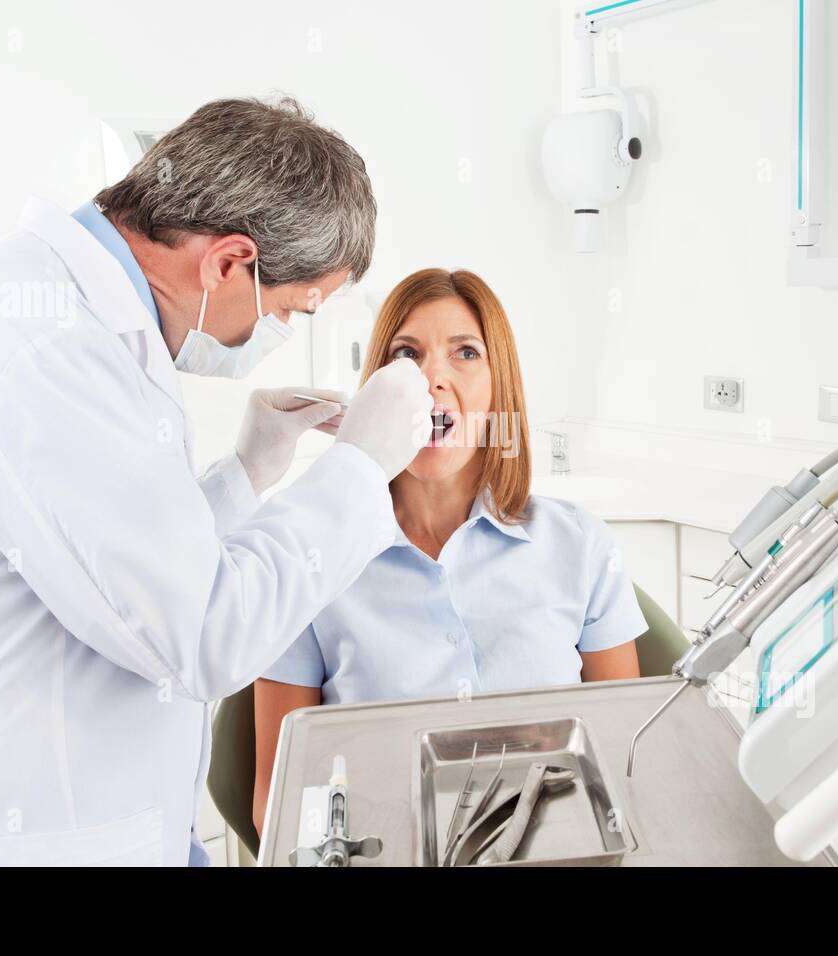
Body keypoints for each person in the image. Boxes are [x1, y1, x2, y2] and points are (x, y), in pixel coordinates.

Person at [0, 97, 432, 866]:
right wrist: (358, 469)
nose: (274, 335)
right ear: (228, 262)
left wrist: (245, 476)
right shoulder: (44, 343)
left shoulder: (78, 322)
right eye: (289, 310)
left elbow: (121, 566)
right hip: (3, 840)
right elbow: (204, 632)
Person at [252, 269, 644, 834]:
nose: (432, 376)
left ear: (498, 387)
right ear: (378, 384)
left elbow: (627, 760)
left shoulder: (580, 546)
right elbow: (278, 799)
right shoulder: (314, 559)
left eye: (465, 353)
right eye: (407, 354)